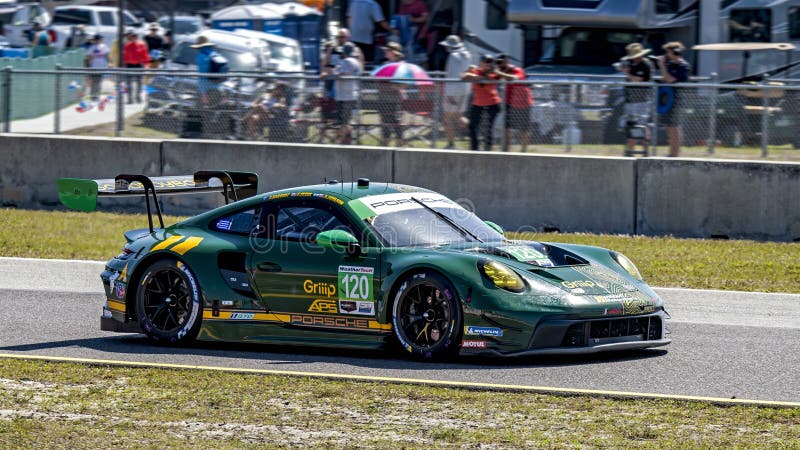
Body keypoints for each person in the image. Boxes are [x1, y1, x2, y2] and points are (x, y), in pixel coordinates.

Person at [461, 54, 502, 151]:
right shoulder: (477, 71)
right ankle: (474, 149)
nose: (488, 64)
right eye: (486, 61)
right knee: (472, 126)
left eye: (489, 61)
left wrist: (482, 76)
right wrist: (471, 73)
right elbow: (464, 77)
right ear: (481, 62)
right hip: (478, 103)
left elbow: (488, 85)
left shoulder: (494, 73)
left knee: (488, 127)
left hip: (492, 104)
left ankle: (487, 150)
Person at [657, 41, 690, 157]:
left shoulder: (683, 65)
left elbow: (670, 79)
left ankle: (675, 153)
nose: (667, 54)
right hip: (668, 99)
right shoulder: (670, 64)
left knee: (675, 126)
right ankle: (672, 152)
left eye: (669, 52)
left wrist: (662, 65)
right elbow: (664, 78)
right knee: (669, 127)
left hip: (677, 99)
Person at [619, 43, 653, 154]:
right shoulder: (630, 63)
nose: (635, 58)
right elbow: (621, 66)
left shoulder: (646, 65)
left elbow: (637, 80)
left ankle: (645, 149)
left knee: (641, 125)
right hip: (630, 100)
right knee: (631, 124)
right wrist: (624, 68)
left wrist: (627, 73)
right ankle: (630, 149)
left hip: (641, 100)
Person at [439, 35, 471, 149]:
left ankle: (451, 143)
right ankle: (474, 136)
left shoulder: (453, 56)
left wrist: (448, 95)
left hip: (454, 90)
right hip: (465, 89)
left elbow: (452, 76)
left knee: (447, 118)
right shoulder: (467, 54)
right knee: (458, 116)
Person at [496, 53, 533, 152]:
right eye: (498, 62)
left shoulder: (517, 70)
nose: (500, 64)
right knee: (506, 127)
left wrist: (501, 73)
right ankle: (506, 150)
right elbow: (491, 77)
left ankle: (524, 151)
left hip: (523, 103)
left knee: (524, 129)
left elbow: (515, 78)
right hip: (509, 103)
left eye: (502, 62)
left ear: (507, 61)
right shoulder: (500, 71)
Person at [328, 42, 362, 145]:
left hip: (345, 96)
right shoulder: (356, 61)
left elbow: (342, 74)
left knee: (344, 122)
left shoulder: (348, 61)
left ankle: (342, 142)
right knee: (345, 121)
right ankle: (346, 141)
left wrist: (332, 72)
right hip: (348, 94)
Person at [347, 0, 396, 64]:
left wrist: (352, 30)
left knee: (355, 61)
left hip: (354, 39)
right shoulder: (372, 4)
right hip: (366, 40)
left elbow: (348, 18)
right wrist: (393, 30)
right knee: (367, 62)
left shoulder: (353, 3)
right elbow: (381, 21)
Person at [377, 42, 405, 147]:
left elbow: (402, 84)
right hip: (384, 98)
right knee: (385, 123)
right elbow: (380, 83)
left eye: (387, 51)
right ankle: (384, 147)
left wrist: (395, 87)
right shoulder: (385, 65)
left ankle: (399, 146)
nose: (385, 53)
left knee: (396, 122)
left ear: (393, 52)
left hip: (394, 99)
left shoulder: (401, 67)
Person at [192, 35, 225, 106]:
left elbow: (203, 77)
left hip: (207, 92)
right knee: (214, 113)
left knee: (198, 113)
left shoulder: (201, 56)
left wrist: (203, 94)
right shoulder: (215, 54)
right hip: (218, 90)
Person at [122, 29, 150, 104]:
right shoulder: (127, 45)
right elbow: (125, 57)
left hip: (138, 65)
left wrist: (147, 66)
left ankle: (138, 98)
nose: (134, 37)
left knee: (139, 83)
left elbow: (145, 56)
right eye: (132, 36)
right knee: (129, 83)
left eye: (135, 36)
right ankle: (130, 99)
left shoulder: (141, 44)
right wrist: (124, 65)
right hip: (129, 65)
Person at [85, 34, 110, 100]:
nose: (99, 40)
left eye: (100, 39)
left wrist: (109, 63)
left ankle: (96, 95)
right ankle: (93, 95)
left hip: (101, 66)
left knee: (98, 81)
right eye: (98, 39)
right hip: (94, 66)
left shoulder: (104, 46)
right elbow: (89, 56)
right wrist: (89, 65)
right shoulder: (92, 47)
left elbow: (107, 55)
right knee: (94, 81)